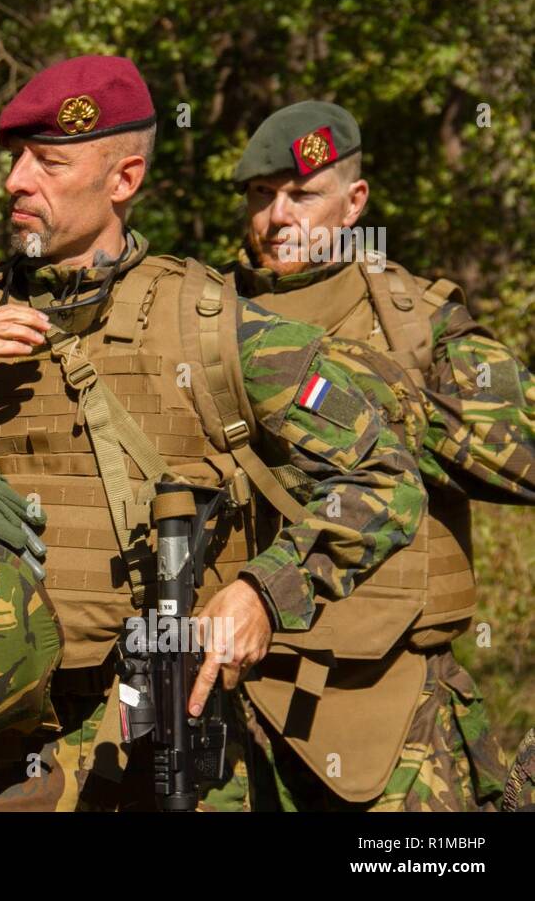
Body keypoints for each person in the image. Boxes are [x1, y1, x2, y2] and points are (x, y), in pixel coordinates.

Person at [0, 56, 425, 811]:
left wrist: (264, 593)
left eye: (48, 162)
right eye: (15, 158)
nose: (16, 180)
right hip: (11, 751)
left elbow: (382, 478)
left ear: (123, 180)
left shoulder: (213, 327)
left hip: (181, 740)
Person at [227, 100, 535, 810]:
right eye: (260, 195)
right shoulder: (205, 316)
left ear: (353, 202)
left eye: (301, 194)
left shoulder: (414, 327)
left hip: (393, 698)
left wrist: (382, 397)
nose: (278, 217)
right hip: (231, 690)